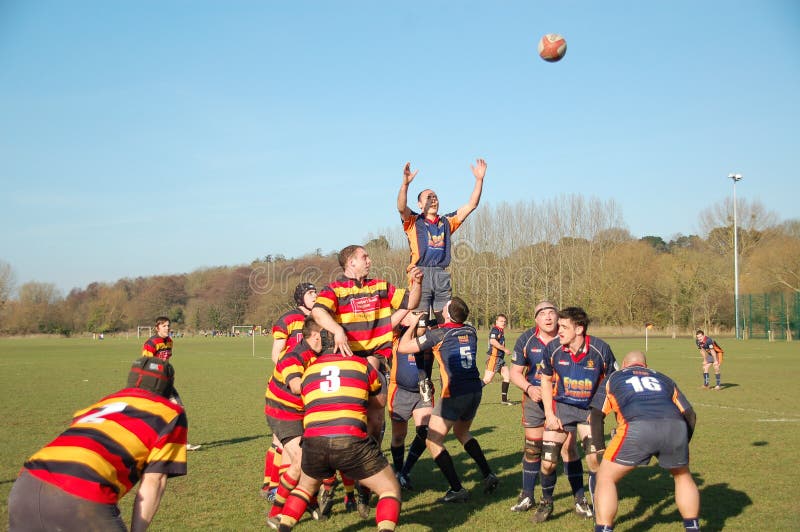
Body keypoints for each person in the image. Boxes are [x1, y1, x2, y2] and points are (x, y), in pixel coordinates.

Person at [8, 357, 187, 532]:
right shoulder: (171, 413)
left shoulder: (101, 404)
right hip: (82, 490)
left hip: (25, 486)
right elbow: (154, 481)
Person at [274, 334, 401, 531]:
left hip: (314, 441)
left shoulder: (308, 372)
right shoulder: (361, 365)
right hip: (350, 439)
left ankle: (284, 528)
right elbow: (378, 403)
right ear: (343, 343)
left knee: (305, 488)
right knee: (389, 489)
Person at [397, 297, 498, 503]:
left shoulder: (440, 334)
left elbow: (404, 347)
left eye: (446, 306)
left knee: (433, 440)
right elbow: (449, 327)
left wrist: (414, 324)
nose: (442, 307)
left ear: (449, 314)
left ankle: (456, 489)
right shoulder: (471, 331)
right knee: (462, 432)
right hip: (474, 390)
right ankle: (488, 475)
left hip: (455, 393)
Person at [589, 351, 700, 532]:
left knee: (605, 477)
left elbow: (596, 414)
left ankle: (604, 529)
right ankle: (693, 528)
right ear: (646, 366)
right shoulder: (664, 378)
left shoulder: (614, 377)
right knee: (683, 476)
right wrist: (683, 442)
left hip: (637, 426)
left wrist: (600, 449)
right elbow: (690, 414)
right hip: (675, 426)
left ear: (624, 365)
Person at [536, 307, 617, 523]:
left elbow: (612, 380)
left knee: (594, 460)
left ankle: (593, 504)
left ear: (579, 329)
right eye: (558, 326)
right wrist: (549, 414)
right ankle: (546, 502)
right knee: (547, 461)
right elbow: (545, 380)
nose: (558, 330)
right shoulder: (553, 348)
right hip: (561, 409)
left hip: (588, 411)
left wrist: (598, 410)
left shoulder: (600, 349)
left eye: (563, 327)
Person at [396, 159, 486, 323]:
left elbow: (472, 205)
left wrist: (479, 180)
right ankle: (417, 347)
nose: (433, 199)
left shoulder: (446, 222)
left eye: (435, 196)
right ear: (420, 203)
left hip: (441, 273)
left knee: (445, 319)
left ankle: (441, 347)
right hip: (419, 272)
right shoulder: (413, 222)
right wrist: (405, 185)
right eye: (428, 197)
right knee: (419, 321)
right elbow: (401, 207)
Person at [265, 317, 324, 526]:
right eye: (326, 332)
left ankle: (308, 499)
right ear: (316, 335)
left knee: (312, 459)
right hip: (282, 412)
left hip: (305, 412)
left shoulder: (320, 354)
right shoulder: (293, 355)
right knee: (301, 460)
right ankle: (275, 511)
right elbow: (297, 385)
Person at [508, 301, 565, 513]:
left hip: (562, 400)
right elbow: (515, 372)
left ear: (558, 317)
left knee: (564, 451)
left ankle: (577, 499)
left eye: (552, 312)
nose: (548, 317)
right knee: (533, 449)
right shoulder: (526, 339)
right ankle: (527, 496)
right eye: (543, 314)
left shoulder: (566, 335)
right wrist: (530, 388)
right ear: (536, 319)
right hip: (534, 401)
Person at [263, 283, 317, 499]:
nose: (315, 296)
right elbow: (276, 355)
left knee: (294, 441)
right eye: (311, 293)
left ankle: (282, 486)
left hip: (305, 385)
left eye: (316, 292)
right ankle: (270, 485)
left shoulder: (318, 319)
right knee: (280, 439)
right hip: (286, 384)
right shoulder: (287, 320)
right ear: (300, 297)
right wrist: (290, 374)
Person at [389, 311, 434, 491]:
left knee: (425, 432)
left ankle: (404, 472)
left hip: (422, 393)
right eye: (411, 315)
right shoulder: (396, 338)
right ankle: (398, 470)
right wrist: (411, 321)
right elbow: (390, 326)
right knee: (399, 436)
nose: (416, 318)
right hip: (400, 392)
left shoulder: (429, 340)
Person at [141, 316, 200, 451]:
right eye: (164, 326)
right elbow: (146, 365)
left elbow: (166, 361)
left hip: (166, 383)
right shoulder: (150, 343)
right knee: (153, 416)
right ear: (157, 328)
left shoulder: (170, 342)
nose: (167, 328)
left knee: (179, 410)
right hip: (153, 384)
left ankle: (183, 443)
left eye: (168, 325)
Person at [482, 313, 513, 405]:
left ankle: (504, 400)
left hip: (500, 359)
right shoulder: (495, 330)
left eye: (504, 321)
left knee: (507, 376)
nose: (503, 323)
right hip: (494, 358)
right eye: (501, 321)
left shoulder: (501, 330)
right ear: (496, 322)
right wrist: (505, 349)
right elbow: (492, 341)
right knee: (487, 380)